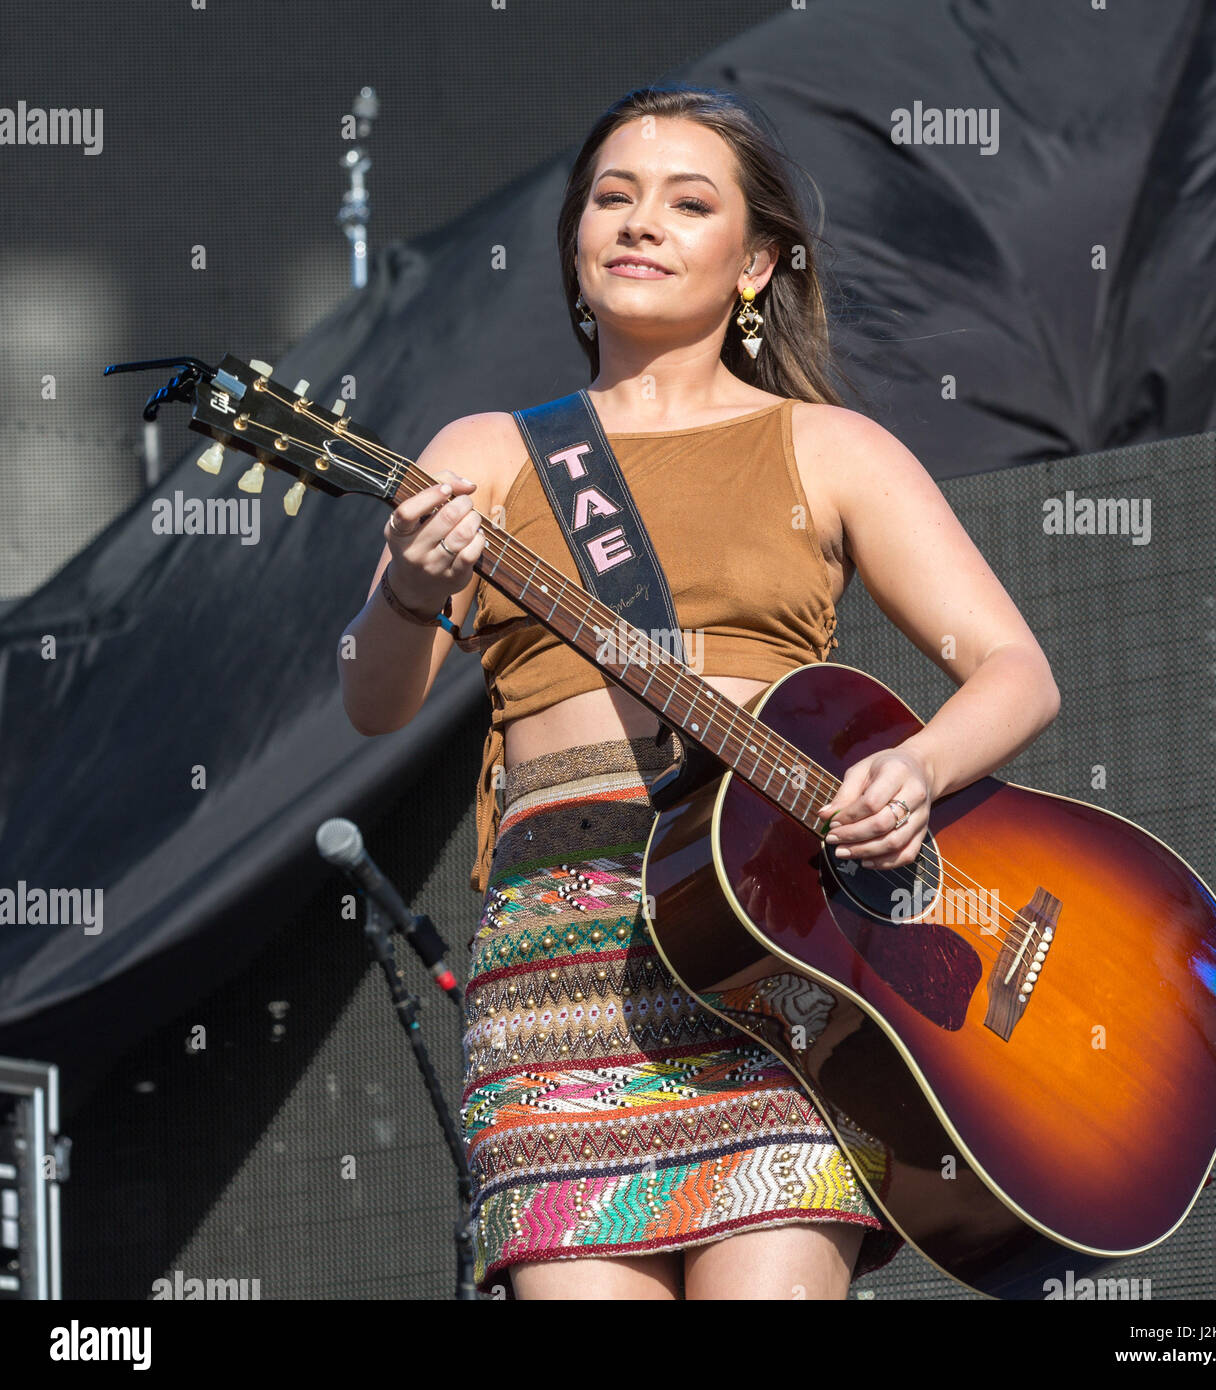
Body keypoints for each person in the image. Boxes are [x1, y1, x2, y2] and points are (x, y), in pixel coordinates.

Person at [338, 83, 1060, 1300]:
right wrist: (407, 590)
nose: (640, 222)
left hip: (780, 965)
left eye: (687, 202)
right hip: (562, 964)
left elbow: (1014, 668)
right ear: (574, 249)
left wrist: (916, 770)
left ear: (756, 262)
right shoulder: (484, 453)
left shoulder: (827, 447)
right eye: (611, 199)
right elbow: (372, 702)